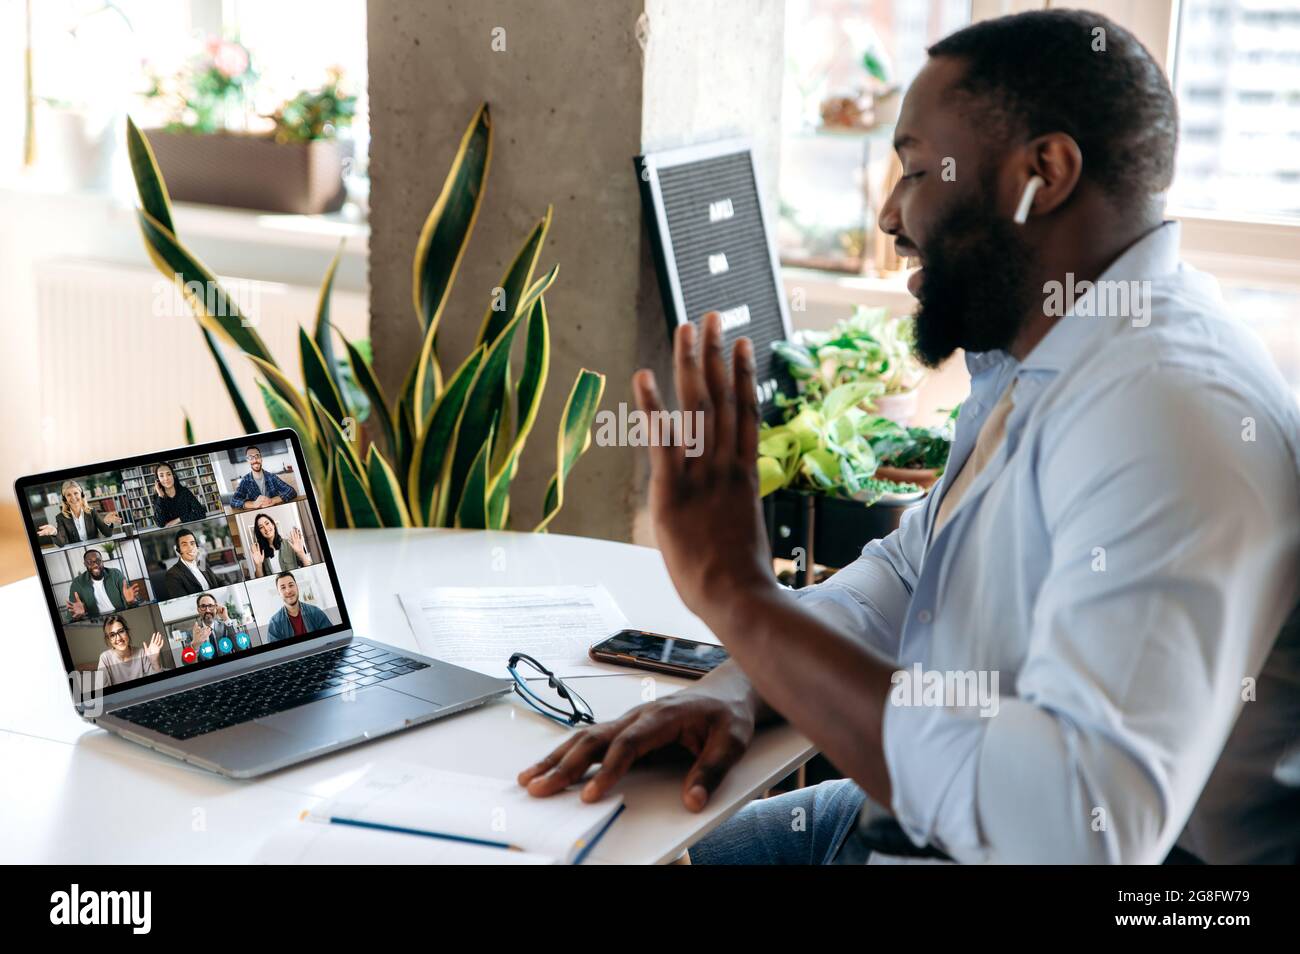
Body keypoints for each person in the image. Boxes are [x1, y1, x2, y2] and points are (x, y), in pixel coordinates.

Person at [517, 10, 1300, 865]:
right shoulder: (1048, 354)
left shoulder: (1168, 416)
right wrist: (751, 672)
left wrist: (740, 598)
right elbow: (913, 572)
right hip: (893, 819)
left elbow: (1071, 833)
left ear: (1045, 173)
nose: (890, 214)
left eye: (918, 170)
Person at [36, 479, 122, 546]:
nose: (73, 497)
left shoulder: (92, 512)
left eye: (75, 493)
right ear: (65, 499)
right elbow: (62, 543)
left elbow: (107, 534)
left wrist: (107, 522)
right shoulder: (61, 517)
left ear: (81, 494)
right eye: (68, 495)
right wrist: (54, 532)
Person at [66, 549, 142, 620]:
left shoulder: (115, 574)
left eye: (98, 561)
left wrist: (131, 602)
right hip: (98, 621)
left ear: (102, 561)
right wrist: (78, 616)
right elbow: (70, 617)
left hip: (120, 616)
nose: (95, 565)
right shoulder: (77, 583)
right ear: (85, 564)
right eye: (89, 562)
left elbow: (133, 602)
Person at [96, 615, 164, 687]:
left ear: (127, 632)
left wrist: (154, 661)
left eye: (121, 631)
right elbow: (101, 691)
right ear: (108, 639)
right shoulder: (105, 658)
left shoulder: (141, 653)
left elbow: (157, 685)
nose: (118, 638)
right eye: (112, 635)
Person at [265, 571, 332, 642]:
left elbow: (331, 638)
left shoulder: (315, 612)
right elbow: (276, 652)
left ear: (297, 587)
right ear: (279, 593)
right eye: (283, 588)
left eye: (291, 585)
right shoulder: (275, 623)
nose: (288, 591)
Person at [229, 446, 297, 511]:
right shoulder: (245, 481)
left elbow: (291, 491)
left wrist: (273, 501)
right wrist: (253, 504)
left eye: (257, 456)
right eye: (251, 457)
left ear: (261, 458)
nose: (255, 460)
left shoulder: (272, 477)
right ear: (248, 461)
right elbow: (233, 501)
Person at [162, 528, 222, 599]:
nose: (190, 548)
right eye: (184, 545)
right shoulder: (172, 575)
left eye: (192, 543)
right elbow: (183, 601)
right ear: (178, 550)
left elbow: (220, 581)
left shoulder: (202, 564)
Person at [249, 513, 312, 578]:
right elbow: (260, 579)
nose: (266, 528)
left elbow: (309, 569)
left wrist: (301, 553)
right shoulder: (261, 553)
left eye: (267, 523)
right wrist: (258, 566)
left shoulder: (290, 544)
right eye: (261, 527)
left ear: (273, 524)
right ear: (259, 532)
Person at [151, 462, 207, 527]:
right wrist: (160, 496)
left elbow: (201, 513)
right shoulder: (157, 498)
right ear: (158, 480)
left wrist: (178, 520)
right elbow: (160, 524)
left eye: (168, 474)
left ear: (173, 475)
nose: (166, 478)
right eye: (161, 476)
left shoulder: (184, 492)